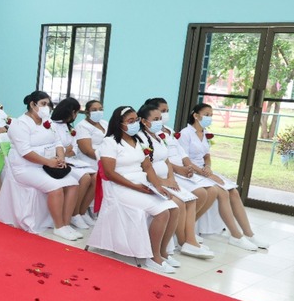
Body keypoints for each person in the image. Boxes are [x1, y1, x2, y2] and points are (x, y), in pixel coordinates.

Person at [99, 106, 180, 273]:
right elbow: (109, 173)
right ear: (119, 123)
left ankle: (162, 252)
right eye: (130, 121)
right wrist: (135, 187)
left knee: (174, 208)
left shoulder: (138, 141)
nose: (135, 123)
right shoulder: (110, 142)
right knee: (162, 212)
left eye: (136, 120)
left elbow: (147, 167)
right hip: (120, 187)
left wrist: (158, 186)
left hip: (142, 184)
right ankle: (153, 258)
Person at [177, 103, 267, 250]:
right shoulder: (185, 134)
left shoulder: (205, 133)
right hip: (192, 172)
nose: (209, 118)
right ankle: (236, 236)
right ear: (195, 115)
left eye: (211, 115)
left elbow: (207, 156)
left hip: (205, 171)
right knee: (223, 193)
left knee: (234, 192)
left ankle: (249, 233)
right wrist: (206, 174)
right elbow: (184, 160)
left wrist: (208, 167)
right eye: (207, 114)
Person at [136, 104, 213, 259]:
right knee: (179, 203)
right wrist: (163, 181)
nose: (160, 122)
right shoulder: (140, 138)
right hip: (153, 180)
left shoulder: (159, 136)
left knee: (191, 199)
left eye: (160, 118)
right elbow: (145, 167)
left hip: (167, 178)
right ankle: (183, 242)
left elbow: (166, 160)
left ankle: (190, 241)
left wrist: (171, 178)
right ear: (144, 121)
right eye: (155, 119)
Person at [7, 91, 80, 240]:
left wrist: (60, 157)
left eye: (48, 104)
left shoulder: (48, 122)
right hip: (26, 167)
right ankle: (58, 227)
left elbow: (58, 142)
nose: (47, 108)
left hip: (48, 165)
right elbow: (25, 152)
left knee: (73, 183)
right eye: (43, 104)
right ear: (33, 105)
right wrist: (48, 161)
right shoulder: (20, 124)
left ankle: (66, 224)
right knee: (56, 188)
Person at [50, 98, 96, 229]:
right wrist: (65, 151)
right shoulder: (51, 125)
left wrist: (66, 151)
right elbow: (53, 149)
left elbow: (74, 149)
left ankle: (82, 211)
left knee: (96, 177)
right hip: (58, 161)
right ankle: (74, 214)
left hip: (71, 160)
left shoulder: (68, 127)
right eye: (75, 112)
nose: (76, 116)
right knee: (85, 178)